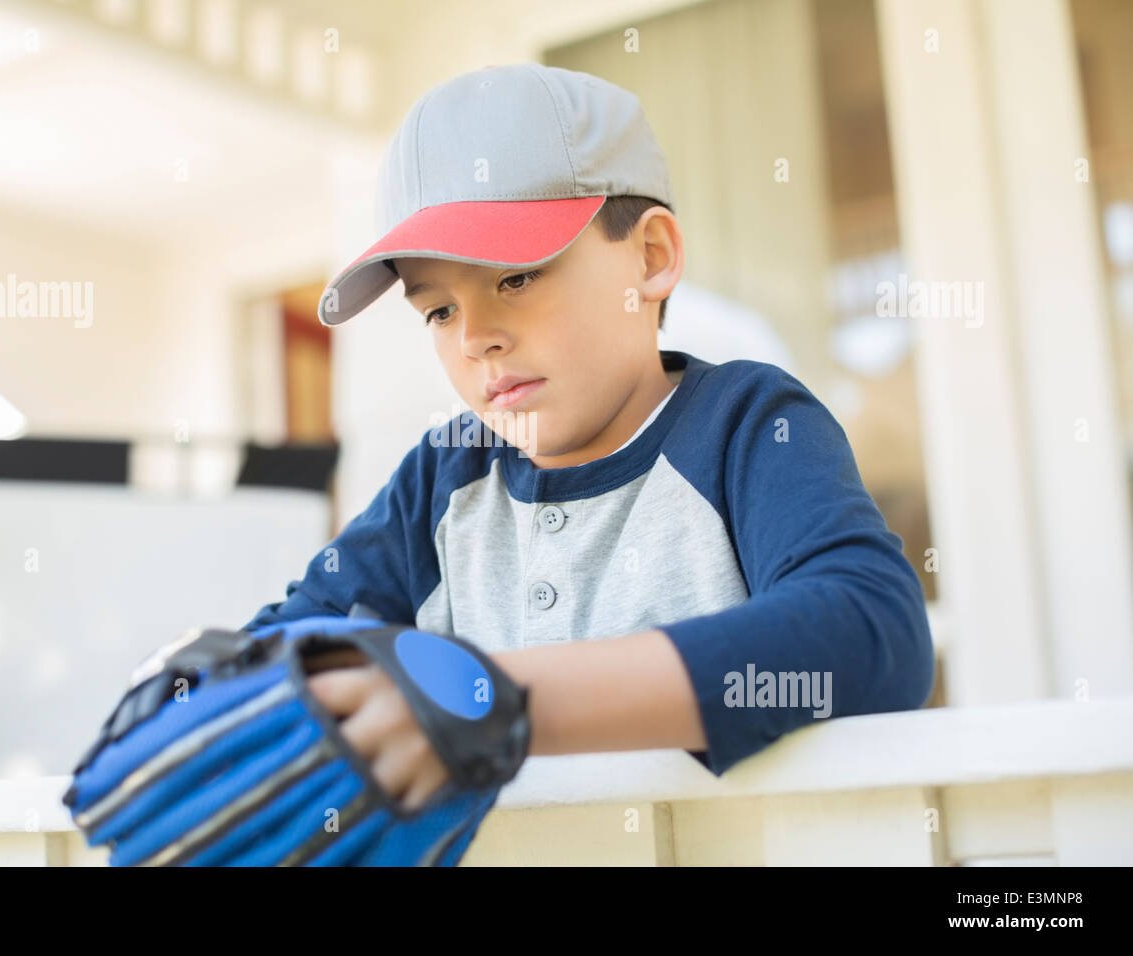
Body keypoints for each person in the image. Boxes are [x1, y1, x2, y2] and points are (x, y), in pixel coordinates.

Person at [244, 63, 934, 814]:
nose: (475, 338)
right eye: (438, 311)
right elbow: (281, 655)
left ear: (651, 258)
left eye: (515, 278)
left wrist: (496, 701)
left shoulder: (748, 425)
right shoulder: (441, 479)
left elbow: (873, 634)